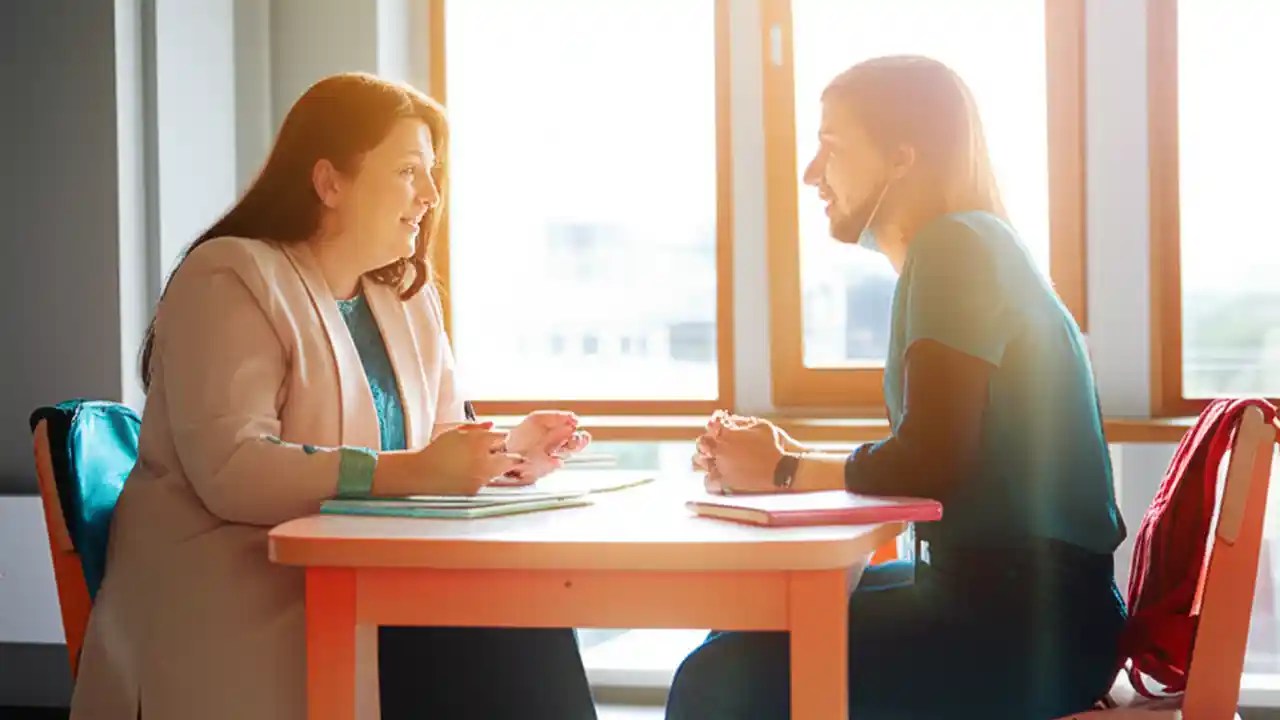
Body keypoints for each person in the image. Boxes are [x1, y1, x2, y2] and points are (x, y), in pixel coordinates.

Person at [70, 72, 597, 720]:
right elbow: (233, 471)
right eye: (409, 171)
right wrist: (417, 470)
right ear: (329, 182)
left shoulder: (405, 298)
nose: (430, 195)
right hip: (242, 598)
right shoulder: (231, 276)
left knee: (520, 617)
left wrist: (509, 451)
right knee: (497, 646)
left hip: (364, 583)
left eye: (430, 173)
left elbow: (433, 451)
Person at [667, 55, 1127, 719]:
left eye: (830, 148)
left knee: (720, 679)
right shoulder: (966, 247)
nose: (810, 175)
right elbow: (938, 451)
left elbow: (931, 462)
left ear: (902, 158)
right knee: (740, 639)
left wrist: (783, 468)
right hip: (1019, 607)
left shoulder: (955, 250)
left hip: (1028, 629)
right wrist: (780, 462)